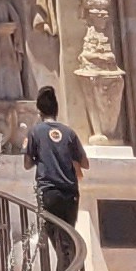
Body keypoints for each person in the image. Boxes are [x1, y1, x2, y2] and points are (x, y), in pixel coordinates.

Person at [19, 84, 87, 257]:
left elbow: (27, 164)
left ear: (39, 111)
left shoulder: (35, 133)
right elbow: (85, 163)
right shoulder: (69, 133)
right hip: (71, 193)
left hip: (49, 191)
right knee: (67, 238)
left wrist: (39, 156)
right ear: (57, 109)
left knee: (58, 241)